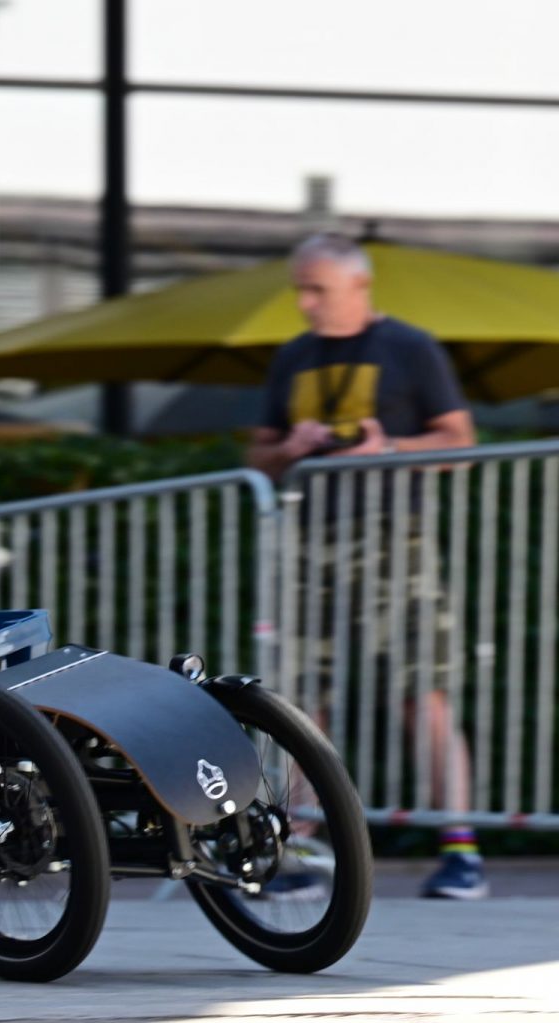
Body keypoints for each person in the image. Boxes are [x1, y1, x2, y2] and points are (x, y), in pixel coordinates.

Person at [248, 232, 485, 899]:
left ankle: (461, 847)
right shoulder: (293, 357)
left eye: (316, 288)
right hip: (307, 538)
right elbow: (257, 458)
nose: (304, 302)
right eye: (300, 287)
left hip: (394, 537)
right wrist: (290, 447)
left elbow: (460, 444)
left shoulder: (410, 346)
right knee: (298, 700)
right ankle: (299, 844)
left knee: (422, 691)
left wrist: (389, 447)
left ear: (360, 285)